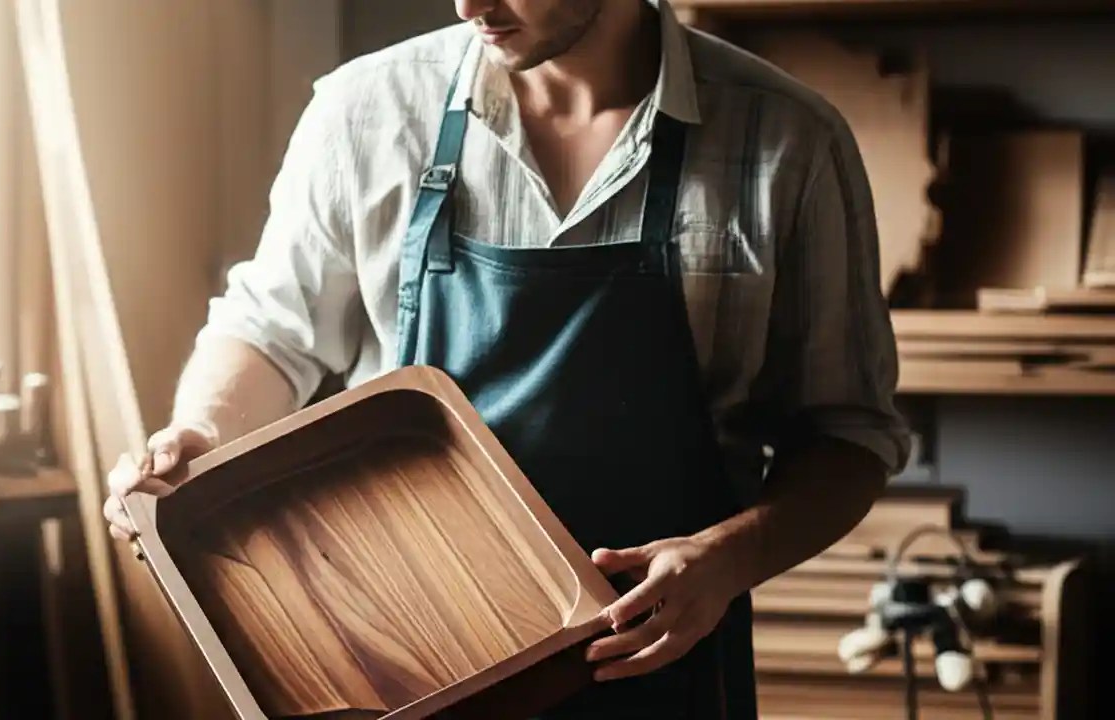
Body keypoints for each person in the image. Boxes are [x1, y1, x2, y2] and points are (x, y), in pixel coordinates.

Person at [105, 0, 910, 716]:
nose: (469, 3)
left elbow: (848, 433)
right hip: (409, 659)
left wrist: (734, 556)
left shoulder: (788, 141)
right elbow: (272, 332)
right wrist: (201, 435)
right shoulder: (364, 113)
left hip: (658, 670)